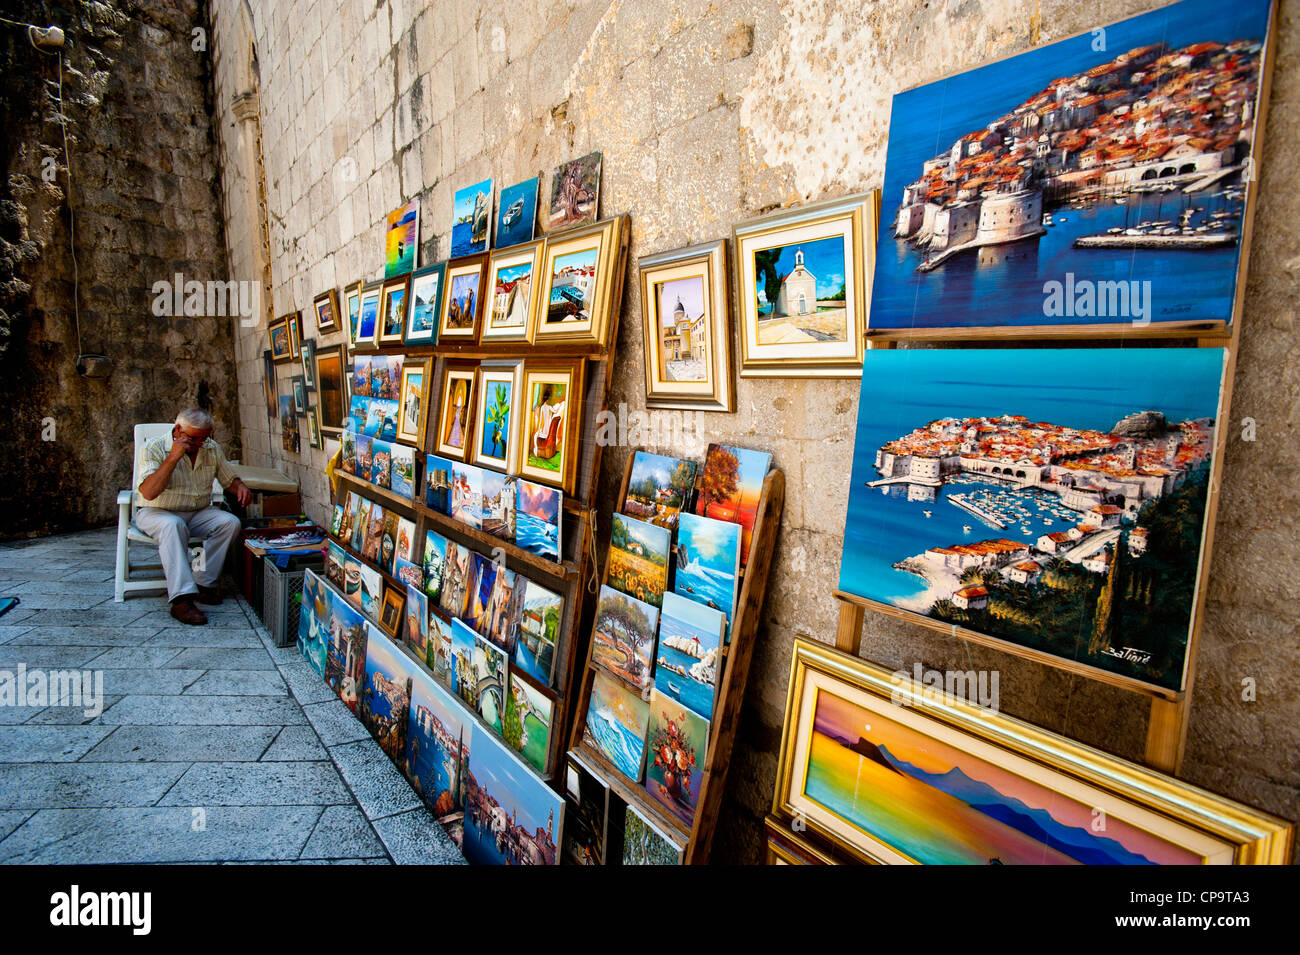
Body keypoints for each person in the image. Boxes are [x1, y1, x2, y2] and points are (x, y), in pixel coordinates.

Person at [135, 407, 252, 625]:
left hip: (197, 511)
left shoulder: (210, 448)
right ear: (178, 430)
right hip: (157, 512)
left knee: (229, 523)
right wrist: (173, 458)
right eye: (194, 438)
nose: (200, 443)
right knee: (173, 525)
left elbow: (228, 478)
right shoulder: (152, 448)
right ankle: (181, 600)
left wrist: (240, 487)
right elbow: (149, 492)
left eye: (205, 438)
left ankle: (204, 584)